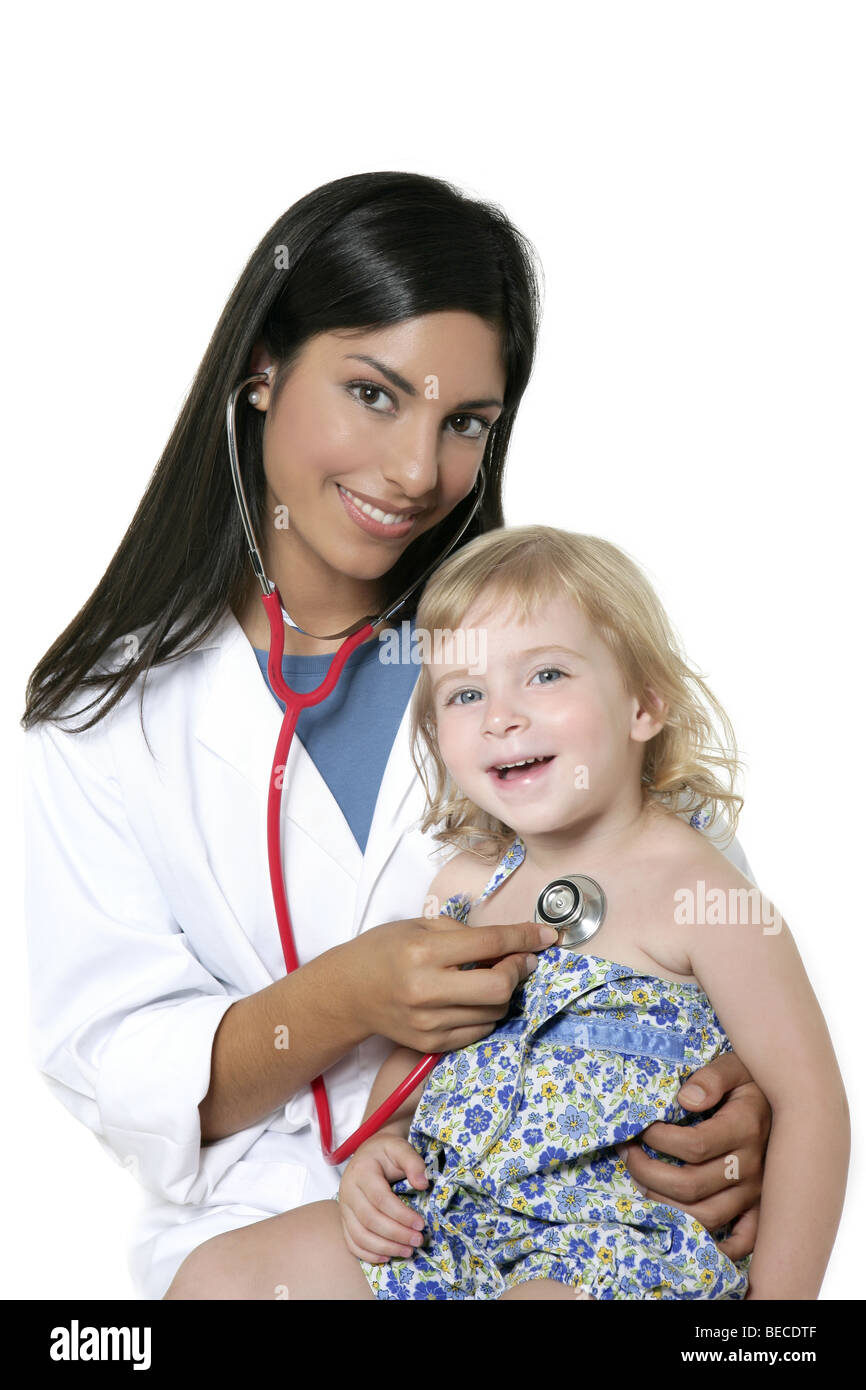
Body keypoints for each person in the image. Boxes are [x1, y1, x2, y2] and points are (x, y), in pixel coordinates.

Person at [21, 171, 770, 1303]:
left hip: (573, 1232)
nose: (418, 472)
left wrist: (733, 1099)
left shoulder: (544, 646)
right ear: (261, 369)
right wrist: (346, 999)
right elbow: (113, 1067)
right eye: (374, 395)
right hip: (266, 1244)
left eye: (462, 421)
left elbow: (697, 915)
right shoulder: (107, 716)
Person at [176, 527, 848, 1301]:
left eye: (546, 675)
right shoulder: (463, 889)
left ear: (644, 705)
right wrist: (379, 1153)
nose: (500, 716)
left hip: (609, 1245)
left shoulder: (705, 895)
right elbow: (421, 1055)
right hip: (454, 1221)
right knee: (220, 1277)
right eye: (465, 694)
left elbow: (811, 1105)